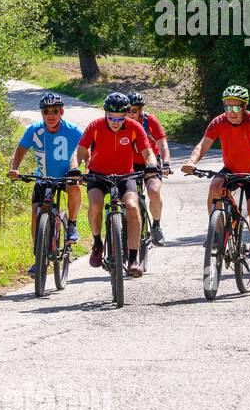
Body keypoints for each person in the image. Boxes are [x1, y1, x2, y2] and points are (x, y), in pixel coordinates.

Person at [181, 85, 250, 276]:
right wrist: (191, 162)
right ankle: (217, 232)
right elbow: (202, 146)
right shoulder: (218, 122)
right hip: (231, 169)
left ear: (244, 107)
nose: (231, 112)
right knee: (214, 186)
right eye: (227, 107)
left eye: (236, 107)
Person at [74, 91, 159, 278]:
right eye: (111, 117)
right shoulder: (95, 126)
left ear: (127, 114)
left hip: (125, 176)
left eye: (120, 119)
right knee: (95, 205)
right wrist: (75, 168)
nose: (115, 122)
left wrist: (151, 164)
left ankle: (133, 259)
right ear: (105, 113)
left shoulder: (134, 126)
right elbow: (80, 151)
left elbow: (148, 152)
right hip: (98, 175)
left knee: (132, 206)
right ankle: (97, 243)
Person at [9, 92, 83, 275]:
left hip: (66, 177)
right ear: (41, 113)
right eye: (46, 111)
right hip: (43, 178)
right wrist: (14, 168)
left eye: (55, 111)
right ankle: (39, 258)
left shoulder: (73, 131)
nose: (51, 115)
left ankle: (72, 225)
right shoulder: (34, 130)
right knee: (36, 216)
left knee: (75, 187)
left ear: (62, 112)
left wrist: (85, 171)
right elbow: (21, 150)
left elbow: (85, 151)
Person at [127, 91, 170, 246]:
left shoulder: (150, 121)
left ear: (141, 110)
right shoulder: (121, 123)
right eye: (127, 110)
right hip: (129, 164)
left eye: (133, 111)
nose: (130, 114)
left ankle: (156, 226)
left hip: (150, 164)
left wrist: (165, 164)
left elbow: (162, 144)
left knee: (154, 191)